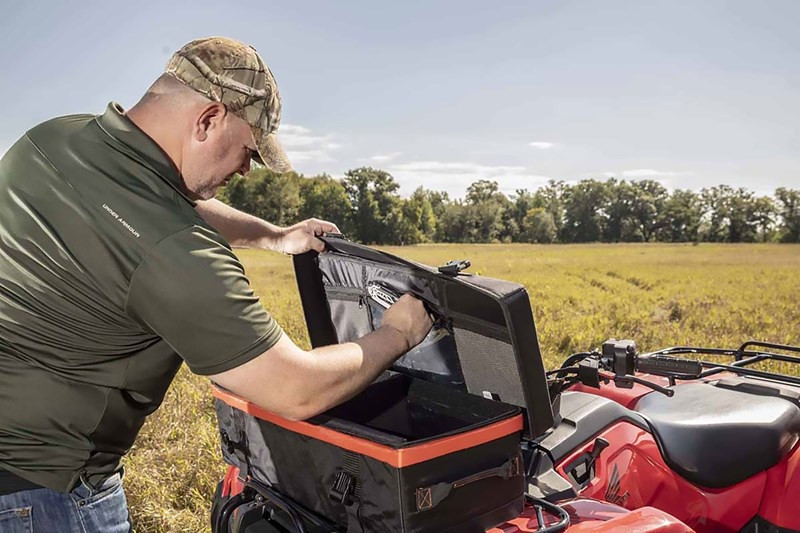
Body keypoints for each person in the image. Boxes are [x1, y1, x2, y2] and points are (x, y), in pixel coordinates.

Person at [0, 36, 432, 532]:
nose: (246, 169)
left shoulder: (53, 140)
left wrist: (274, 236)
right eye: (248, 150)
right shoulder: (178, 252)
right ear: (208, 119)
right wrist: (397, 333)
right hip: (46, 496)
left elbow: (167, 203)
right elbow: (296, 389)